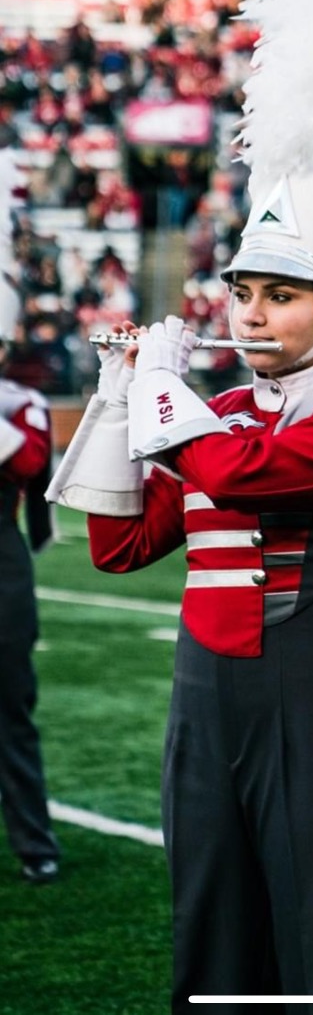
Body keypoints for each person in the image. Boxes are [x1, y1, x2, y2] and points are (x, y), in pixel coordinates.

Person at [48, 0, 313, 1008]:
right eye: (243, 293)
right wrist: (122, 396)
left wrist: (161, 392)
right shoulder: (211, 415)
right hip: (201, 702)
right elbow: (120, 546)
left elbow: (249, 473)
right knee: (214, 955)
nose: (251, 315)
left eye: (282, 296)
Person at [0, 153, 59, 884]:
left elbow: (29, 463)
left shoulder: (20, 404)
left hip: (2, 566)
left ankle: (34, 841)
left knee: (10, 708)